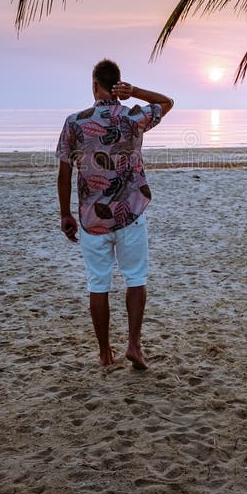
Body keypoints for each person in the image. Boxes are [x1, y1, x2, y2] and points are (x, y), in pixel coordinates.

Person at [56, 59, 174, 370]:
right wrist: (134, 92)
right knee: (135, 278)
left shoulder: (75, 122)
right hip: (130, 211)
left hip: (92, 217)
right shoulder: (134, 117)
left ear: (95, 85)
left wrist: (65, 214)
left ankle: (105, 352)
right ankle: (134, 345)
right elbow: (166, 102)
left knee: (98, 283)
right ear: (118, 86)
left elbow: (64, 172)